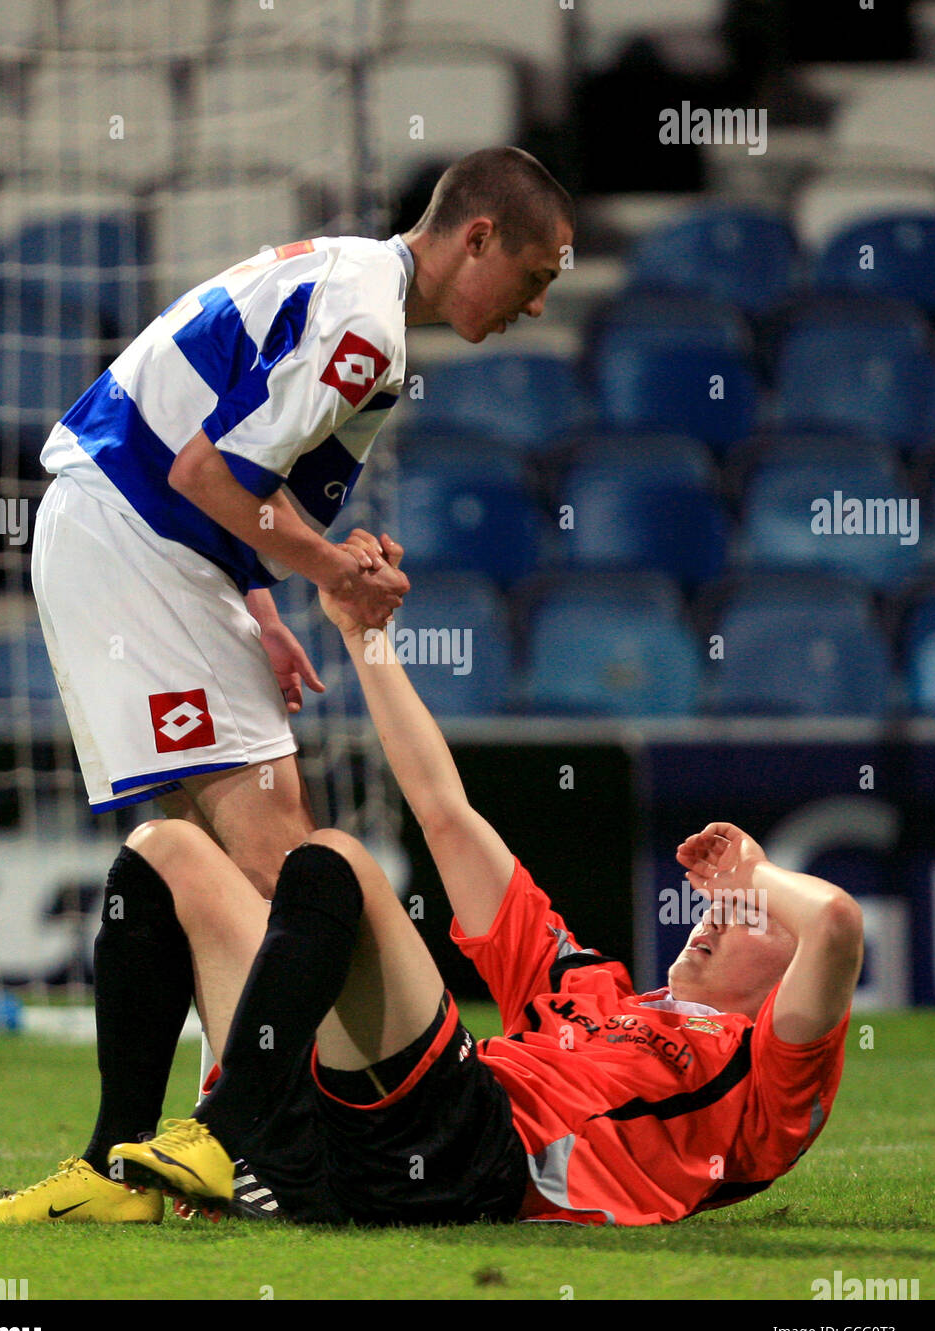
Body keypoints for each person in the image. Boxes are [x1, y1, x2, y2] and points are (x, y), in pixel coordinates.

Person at [0, 541, 864, 1228]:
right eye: (723, 903)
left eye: (747, 917)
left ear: (788, 990)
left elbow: (833, 922)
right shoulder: (586, 986)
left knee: (336, 860)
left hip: (471, 1158)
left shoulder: (762, 1079)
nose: (716, 916)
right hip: (350, 1142)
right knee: (166, 849)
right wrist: (366, 638)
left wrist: (759, 869)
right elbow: (444, 813)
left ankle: (218, 1135)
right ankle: (116, 1172)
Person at [30, 146, 575, 899]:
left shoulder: (348, 273)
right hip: (136, 537)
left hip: (119, 532)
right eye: (537, 277)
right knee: (278, 858)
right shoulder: (367, 325)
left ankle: (231, 1022)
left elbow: (235, 457)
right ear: (477, 239)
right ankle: (279, 1025)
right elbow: (206, 471)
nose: (538, 305)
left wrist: (259, 608)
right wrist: (336, 572)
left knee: (204, 868)